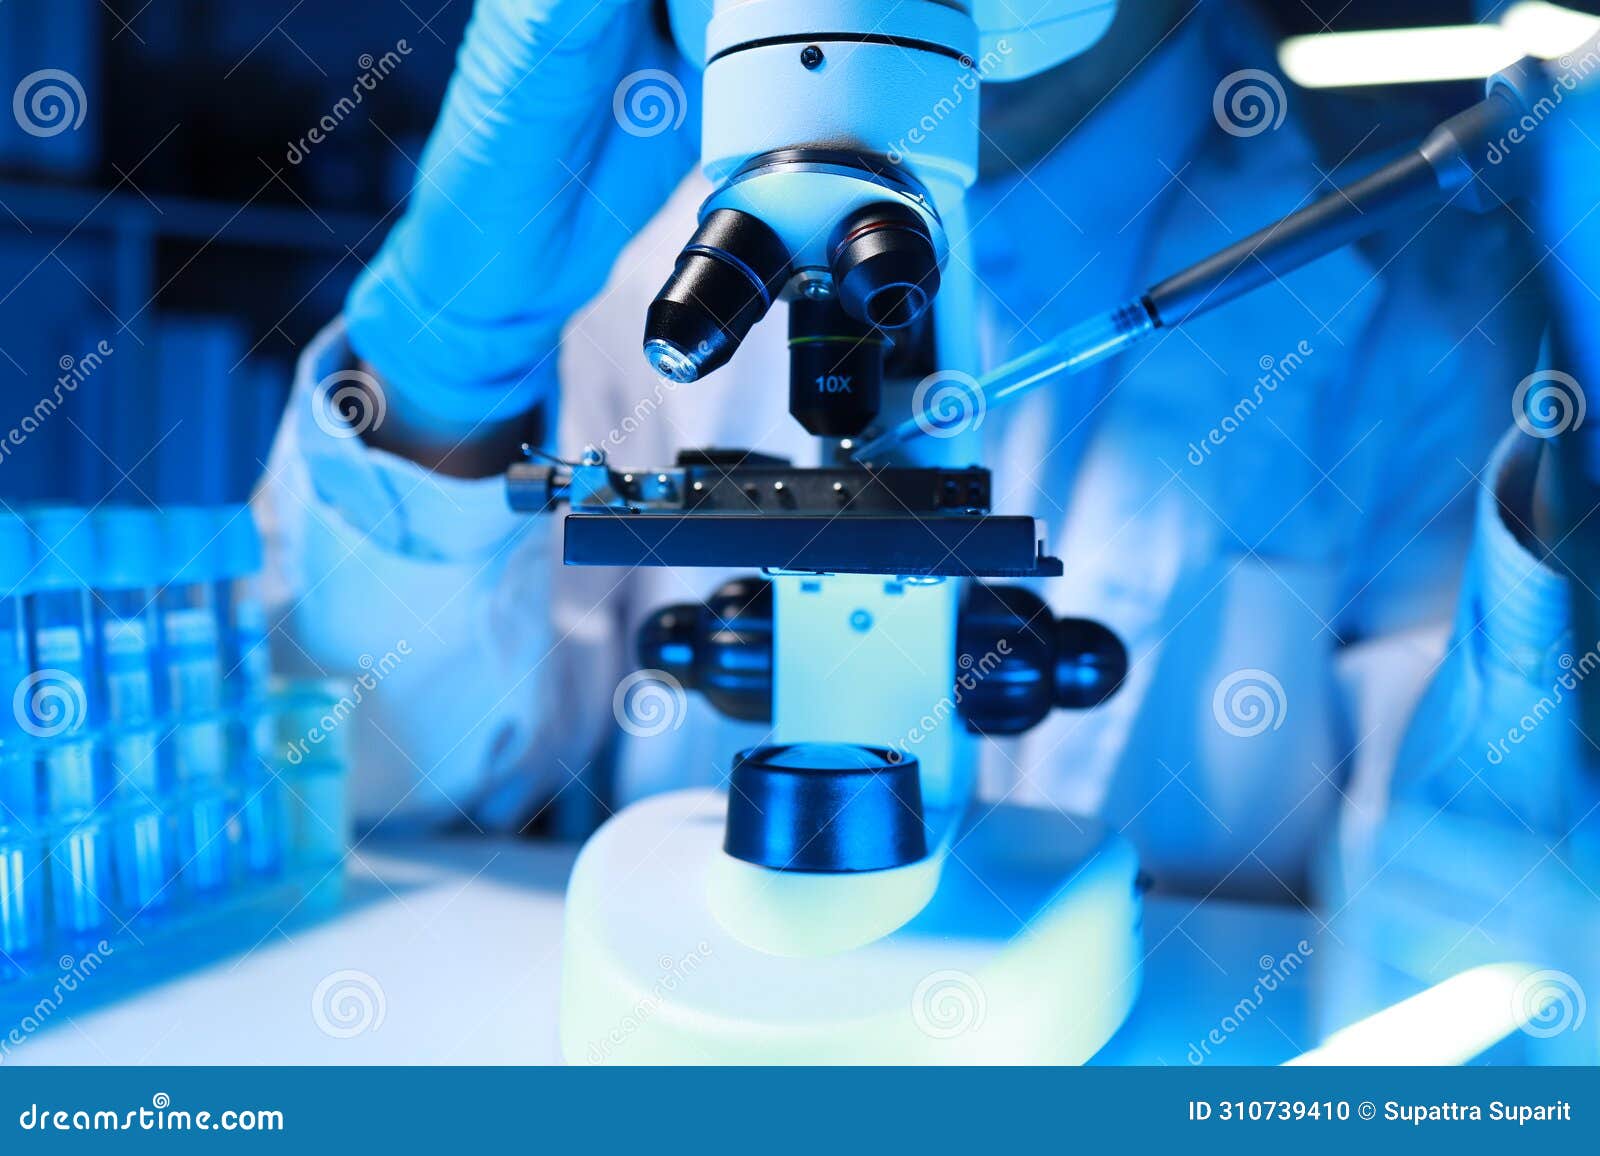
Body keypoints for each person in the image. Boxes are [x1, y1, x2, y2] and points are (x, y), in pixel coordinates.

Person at [256, 0, 1587, 925]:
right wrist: (437, 378)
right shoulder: (617, 242)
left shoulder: (1429, 302)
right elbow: (362, 784)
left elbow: (1476, 927)